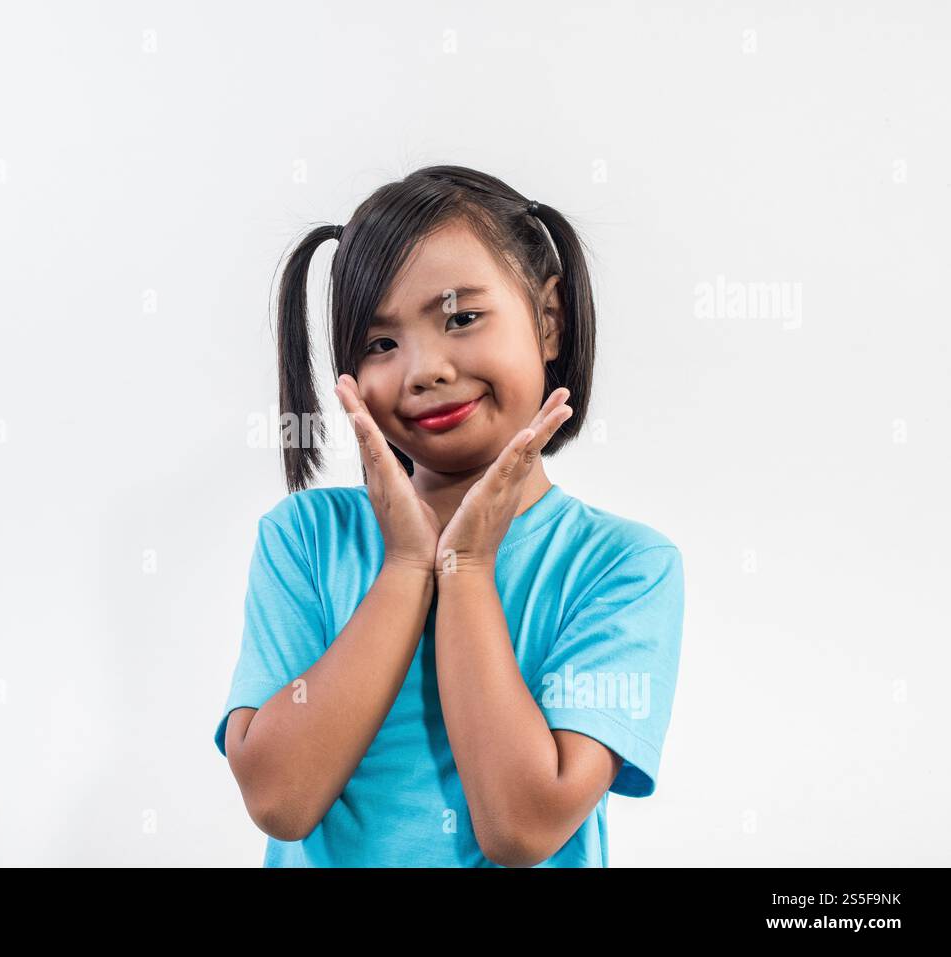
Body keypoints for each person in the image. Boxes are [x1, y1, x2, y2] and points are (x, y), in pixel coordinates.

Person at [213, 165, 684, 867]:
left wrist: (465, 570)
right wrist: (406, 566)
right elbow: (280, 797)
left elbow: (522, 826)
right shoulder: (307, 540)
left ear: (549, 320)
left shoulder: (624, 566)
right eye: (381, 343)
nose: (423, 369)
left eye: (461, 317)